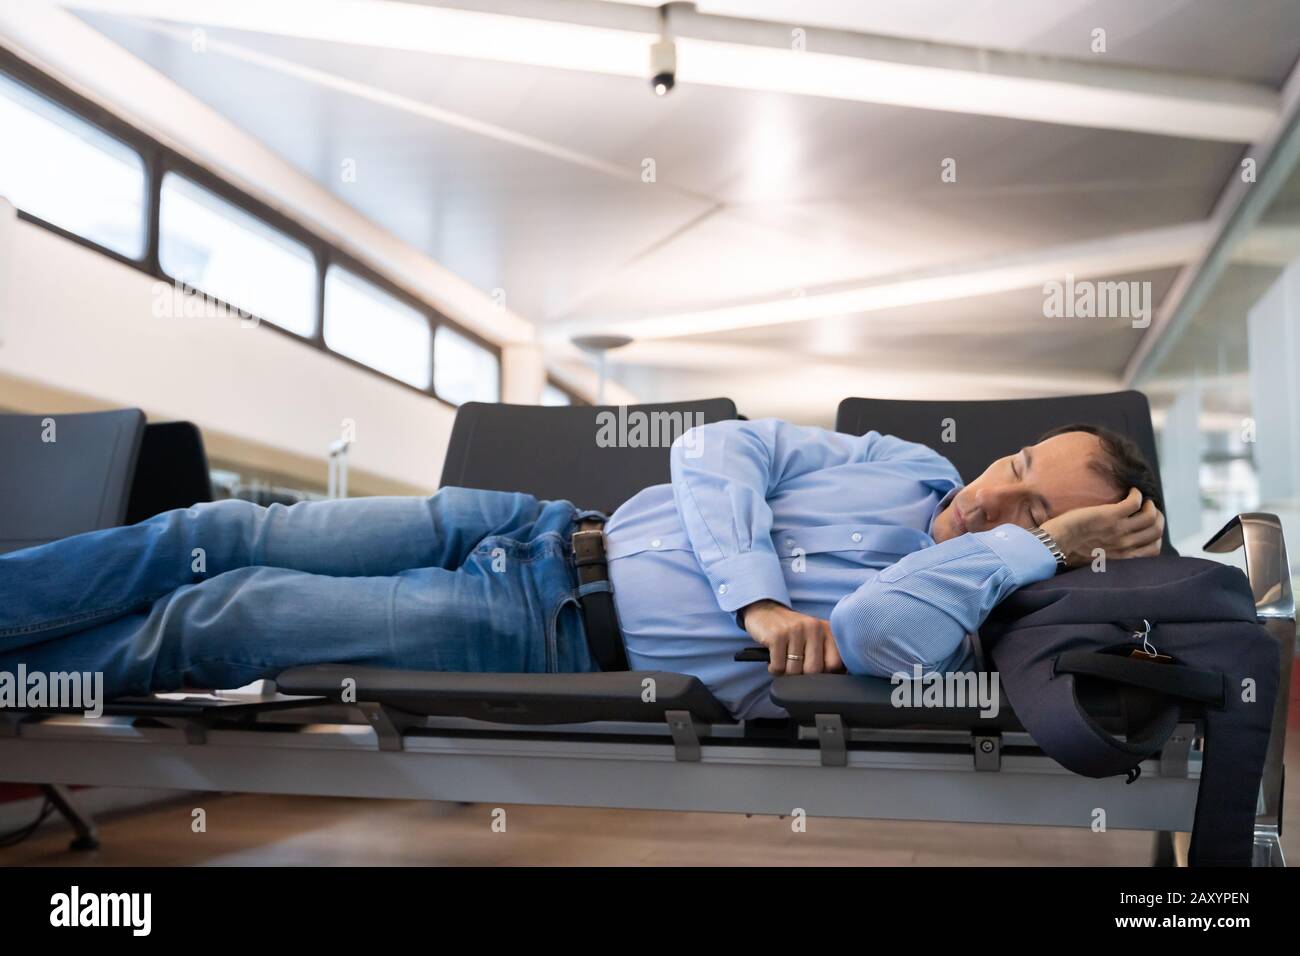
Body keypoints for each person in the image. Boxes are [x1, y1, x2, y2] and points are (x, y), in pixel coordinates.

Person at [0, 418, 1164, 719]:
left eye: (1035, 507)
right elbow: (717, 445)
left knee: (223, 613)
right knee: (216, 528)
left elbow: (862, 636)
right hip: (536, 519)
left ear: (1065, 545)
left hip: (548, 629)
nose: (993, 491)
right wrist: (756, 589)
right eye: (1014, 461)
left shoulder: (972, 609)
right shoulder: (907, 464)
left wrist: (1034, 553)